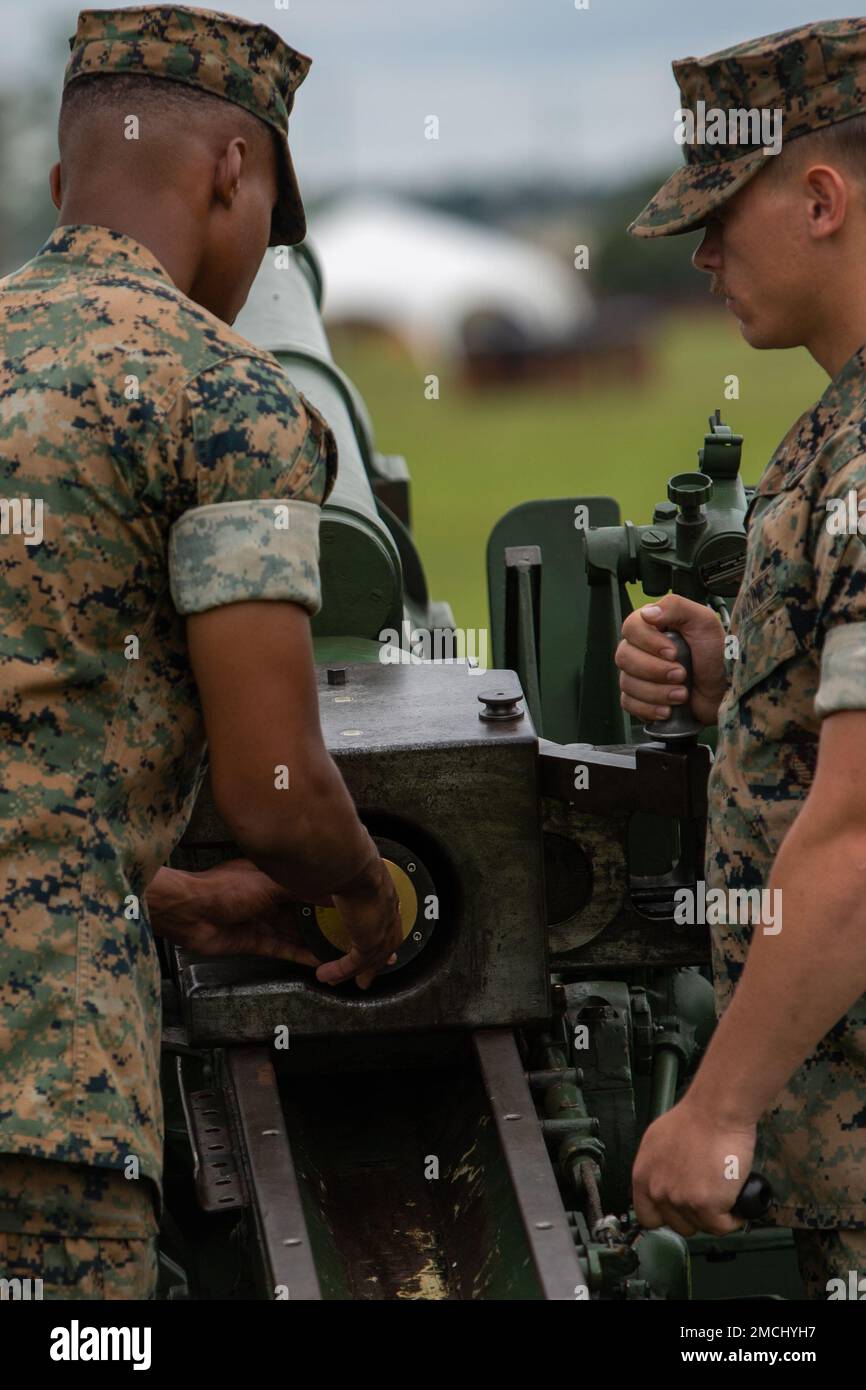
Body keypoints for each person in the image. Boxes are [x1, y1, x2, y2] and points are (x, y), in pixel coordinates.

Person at [0, 4, 402, 1300]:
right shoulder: (225, 396)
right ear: (235, 173)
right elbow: (272, 790)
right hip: (40, 1102)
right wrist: (358, 890)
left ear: (64, 185)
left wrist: (165, 894)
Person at [616, 17, 866, 1299]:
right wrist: (745, 683)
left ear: (820, 198)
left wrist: (713, 1111)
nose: (702, 254)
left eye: (722, 214)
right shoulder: (831, 433)